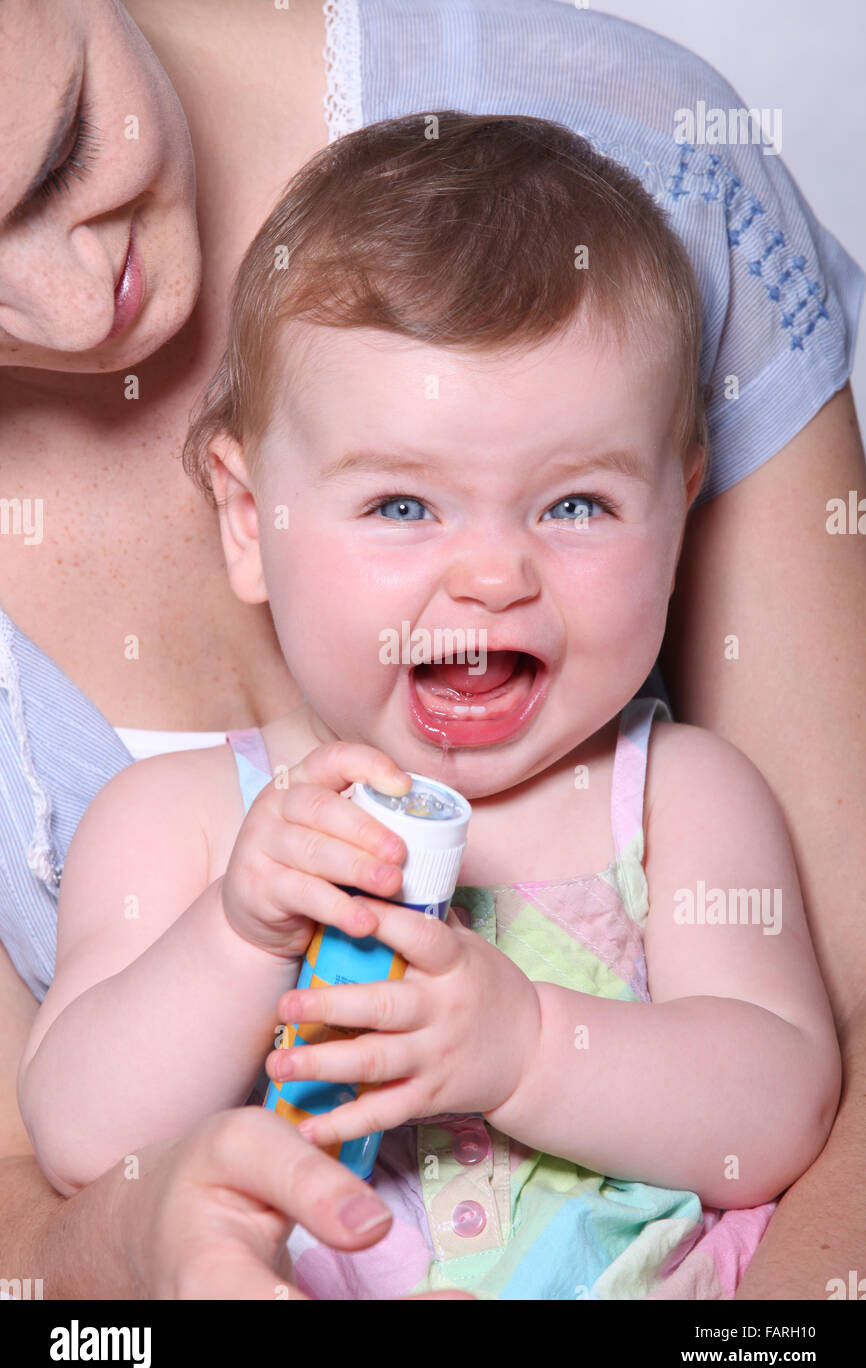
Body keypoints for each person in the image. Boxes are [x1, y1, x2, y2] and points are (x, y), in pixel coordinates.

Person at [0, 0, 862, 1300]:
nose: (492, 571)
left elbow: (783, 1100)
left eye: (574, 504)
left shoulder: (672, 801)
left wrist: (530, 1050)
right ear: (249, 520)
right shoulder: (183, 827)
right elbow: (75, 1132)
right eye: (402, 506)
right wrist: (239, 933)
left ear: (682, 501)